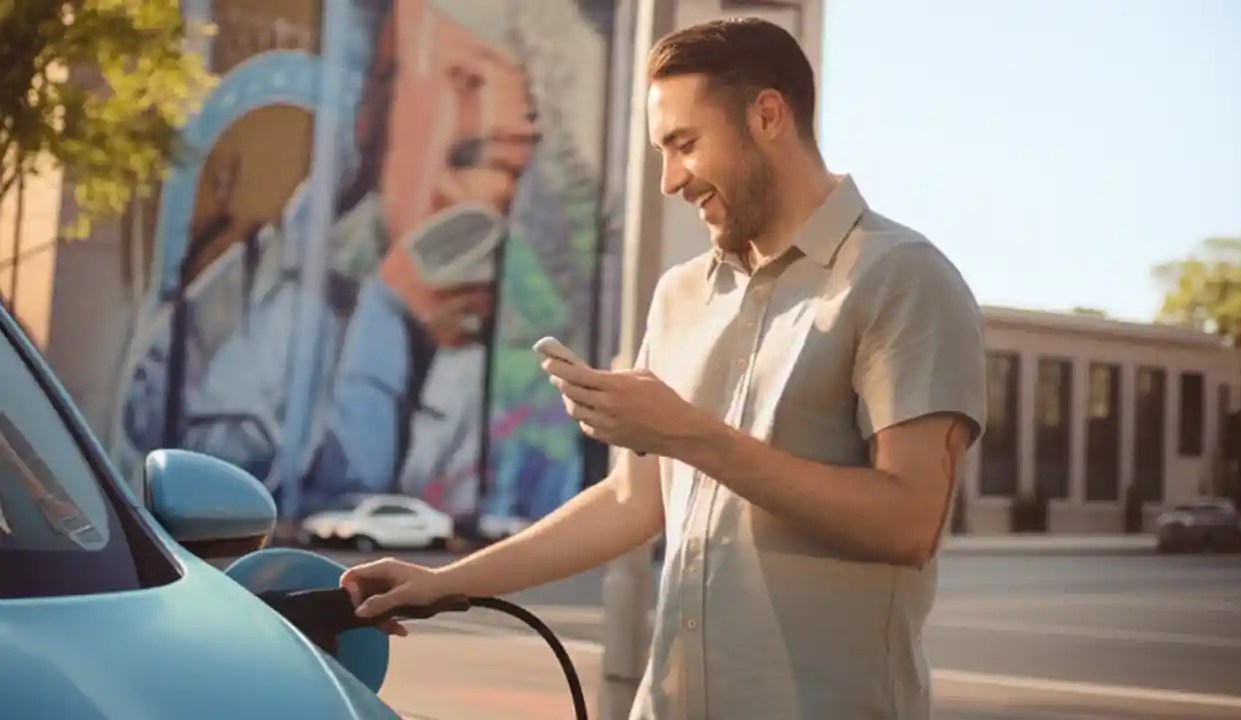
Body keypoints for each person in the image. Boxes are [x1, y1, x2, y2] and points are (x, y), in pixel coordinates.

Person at [340, 16, 987, 720]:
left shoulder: (903, 279)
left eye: (684, 145)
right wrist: (442, 584)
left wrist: (692, 436)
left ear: (767, 115)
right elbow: (632, 501)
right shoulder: (680, 295)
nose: (670, 179)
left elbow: (909, 522)